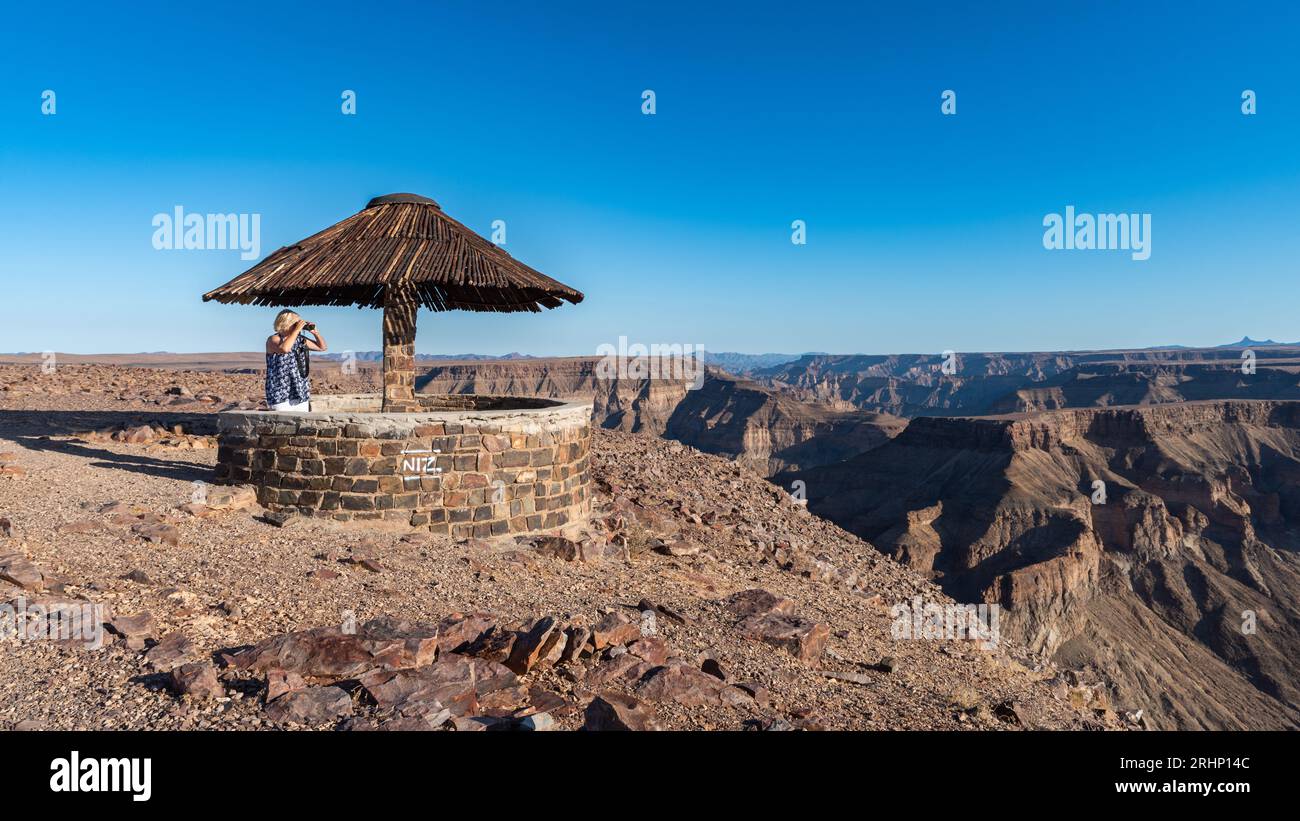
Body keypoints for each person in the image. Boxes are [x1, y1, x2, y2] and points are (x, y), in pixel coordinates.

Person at [265, 309, 327, 411]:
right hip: (280, 391)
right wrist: (296, 330)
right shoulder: (274, 339)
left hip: (300, 389)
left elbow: (322, 347)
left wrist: (316, 333)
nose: (299, 325)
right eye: (296, 323)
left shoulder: (300, 340)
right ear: (286, 323)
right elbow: (285, 348)